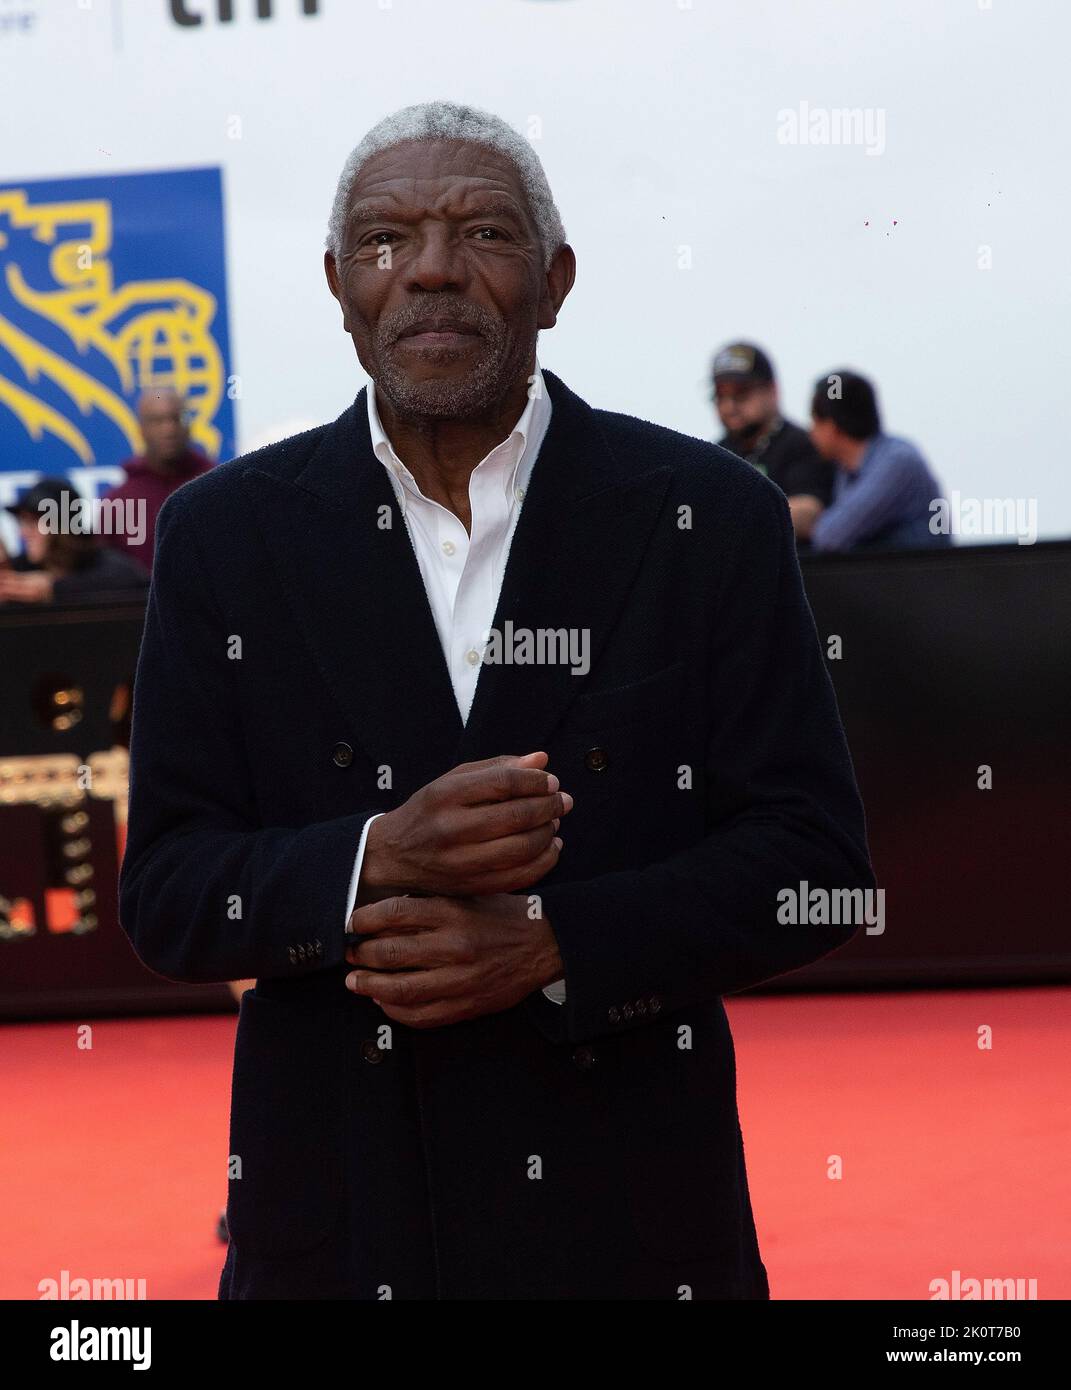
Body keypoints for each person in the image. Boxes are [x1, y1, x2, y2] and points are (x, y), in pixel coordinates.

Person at [118, 100, 874, 1301]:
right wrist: (377, 855)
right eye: (382, 240)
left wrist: (556, 942)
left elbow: (814, 863)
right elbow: (166, 893)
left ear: (556, 279)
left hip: (631, 1226)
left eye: (481, 231)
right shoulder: (222, 537)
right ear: (336, 283)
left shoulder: (706, 514)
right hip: (337, 1229)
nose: (428, 269)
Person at [809, 370, 953, 552]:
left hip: (923, 577)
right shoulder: (847, 469)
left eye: (814, 422)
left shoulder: (898, 462)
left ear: (831, 427)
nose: (810, 432)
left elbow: (830, 536)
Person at [712, 341, 835, 548]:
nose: (729, 406)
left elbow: (808, 514)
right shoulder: (715, 454)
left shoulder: (802, 444)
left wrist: (725, 520)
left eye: (741, 394)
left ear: (772, 391)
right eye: (720, 395)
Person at [99, 387, 213, 574]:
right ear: (141, 429)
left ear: (189, 425)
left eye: (176, 418)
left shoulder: (215, 486)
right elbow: (105, 575)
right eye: (157, 421)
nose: (169, 429)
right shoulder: (117, 502)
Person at [0, 477, 150, 605]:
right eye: (23, 523)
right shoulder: (22, 567)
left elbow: (131, 579)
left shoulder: (98, 560)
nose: (23, 534)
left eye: (33, 523)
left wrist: (54, 589)